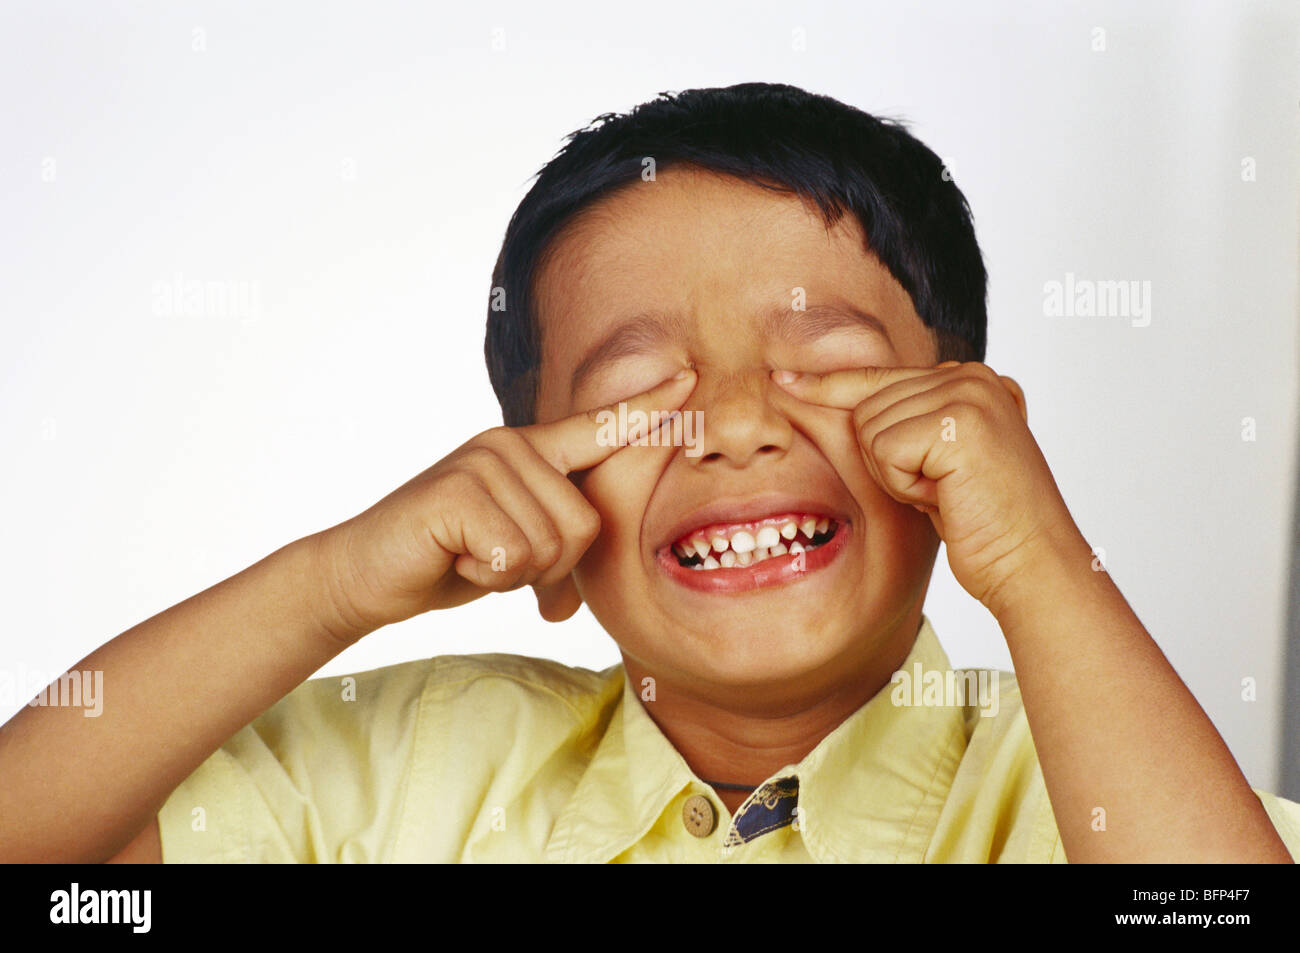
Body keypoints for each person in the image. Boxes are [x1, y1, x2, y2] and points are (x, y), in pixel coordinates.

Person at [3, 83, 1296, 863]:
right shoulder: (405, 772)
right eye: (637, 389)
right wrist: (333, 583)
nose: (734, 420)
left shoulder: (1120, 782)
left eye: (826, 360)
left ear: (970, 437)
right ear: (547, 515)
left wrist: (1038, 565)